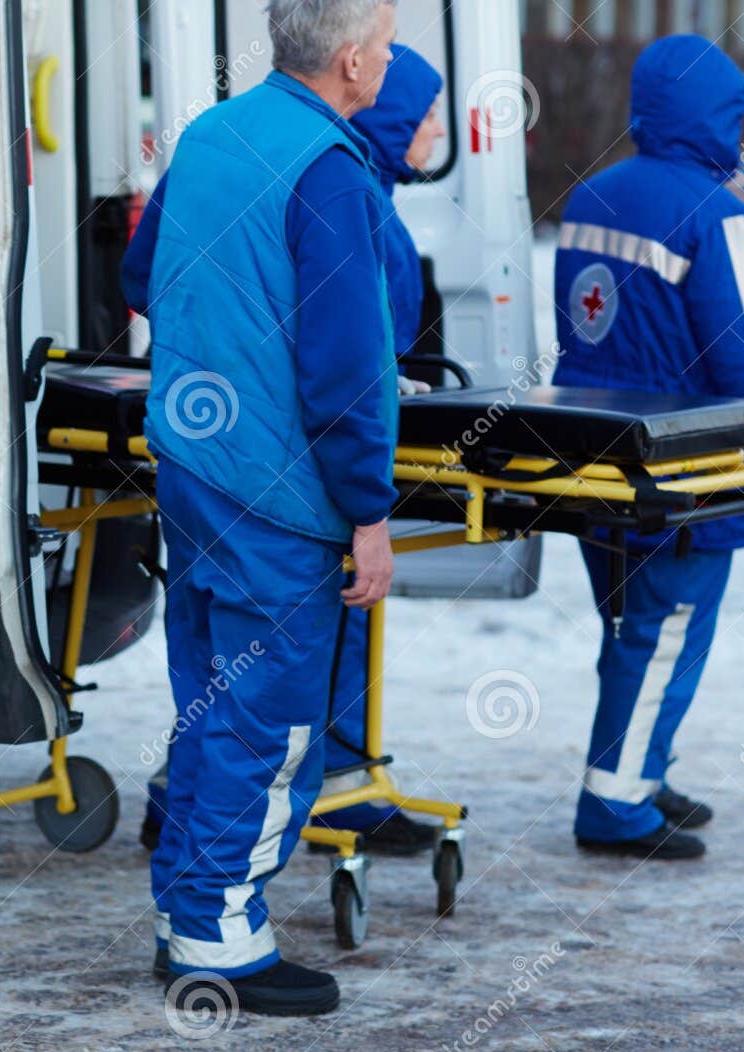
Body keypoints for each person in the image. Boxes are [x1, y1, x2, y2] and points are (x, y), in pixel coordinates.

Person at [121, 0, 399, 1016]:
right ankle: (218, 937)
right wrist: (368, 511)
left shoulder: (212, 133)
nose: (393, 55)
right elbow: (344, 369)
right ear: (352, 57)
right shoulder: (331, 170)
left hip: (194, 470)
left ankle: (184, 913)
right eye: (390, 39)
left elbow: (140, 276)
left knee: (210, 702)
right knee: (273, 722)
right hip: (281, 493)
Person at [553, 35, 744, 859]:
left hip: (595, 462)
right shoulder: (725, 221)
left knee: (627, 627)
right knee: (663, 629)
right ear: (717, 118)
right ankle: (616, 806)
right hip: (688, 476)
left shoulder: (591, 198)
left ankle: (639, 771)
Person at [308, 42, 446, 854]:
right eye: (426, 113)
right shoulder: (369, 211)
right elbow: (362, 360)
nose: (436, 128)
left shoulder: (346, 184)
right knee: (341, 621)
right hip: (330, 467)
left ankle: (180, 792)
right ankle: (341, 792)